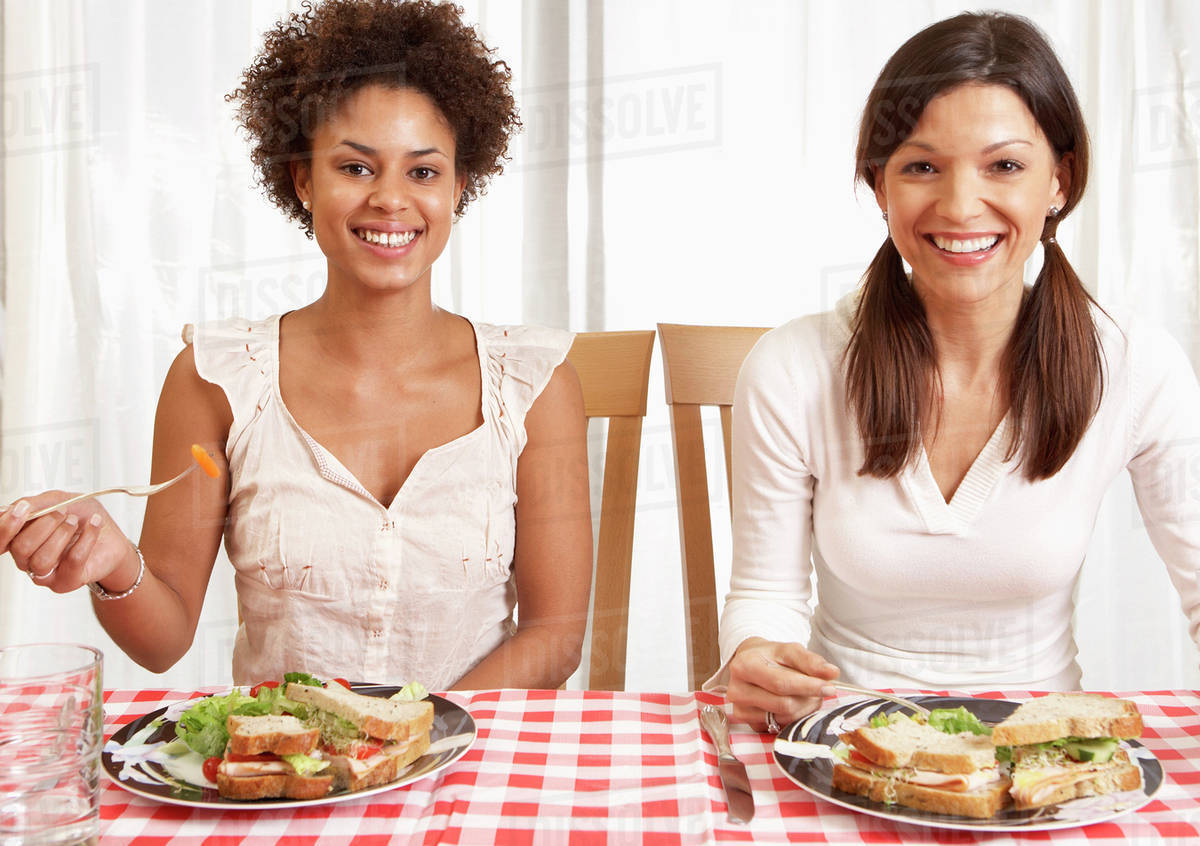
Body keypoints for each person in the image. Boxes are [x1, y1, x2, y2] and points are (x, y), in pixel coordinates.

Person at [0, 0, 592, 691]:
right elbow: (162, 642)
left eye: (424, 172)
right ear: (303, 180)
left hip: (467, 766)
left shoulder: (535, 383)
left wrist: (406, 741)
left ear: (461, 185)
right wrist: (111, 560)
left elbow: (554, 638)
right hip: (283, 780)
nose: (391, 200)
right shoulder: (216, 379)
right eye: (356, 168)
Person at [711, 11, 1200, 732]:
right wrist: (757, 653)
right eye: (921, 166)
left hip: (1038, 753)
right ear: (879, 186)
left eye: (1004, 165)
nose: (960, 205)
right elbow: (765, 592)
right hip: (843, 746)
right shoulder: (793, 367)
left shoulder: (1134, 367)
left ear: (1059, 181)